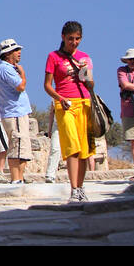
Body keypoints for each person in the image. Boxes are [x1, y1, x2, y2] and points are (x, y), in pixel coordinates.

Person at [43, 21, 95, 202]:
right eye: (71, 38)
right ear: (63, 37)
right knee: (72, 146)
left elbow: (90, 85)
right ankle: (73, 188)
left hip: (85, 103)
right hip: (65, 103)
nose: (74, 42)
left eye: (77, 39)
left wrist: (85, 72)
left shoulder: (85, 57)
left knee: (84, 149)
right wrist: (60, 98)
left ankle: (81, 187)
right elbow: (47, 85)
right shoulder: (53, 56)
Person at [0, 39, 32, 184]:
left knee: (21, 147)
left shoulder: (3, 68)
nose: (19, 52)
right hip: (14, 113)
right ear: (8, 54)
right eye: (16, 50)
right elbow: (20, 86)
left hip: (15, 113)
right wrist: (22, 73)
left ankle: (19, 178)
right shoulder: (6, 69)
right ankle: (16, 179)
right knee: (17, 146)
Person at [117, 48, 134, 180]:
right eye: (130, 59)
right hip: (129, 110)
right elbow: (125, 85)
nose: (133, 61)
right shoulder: (121, 70)